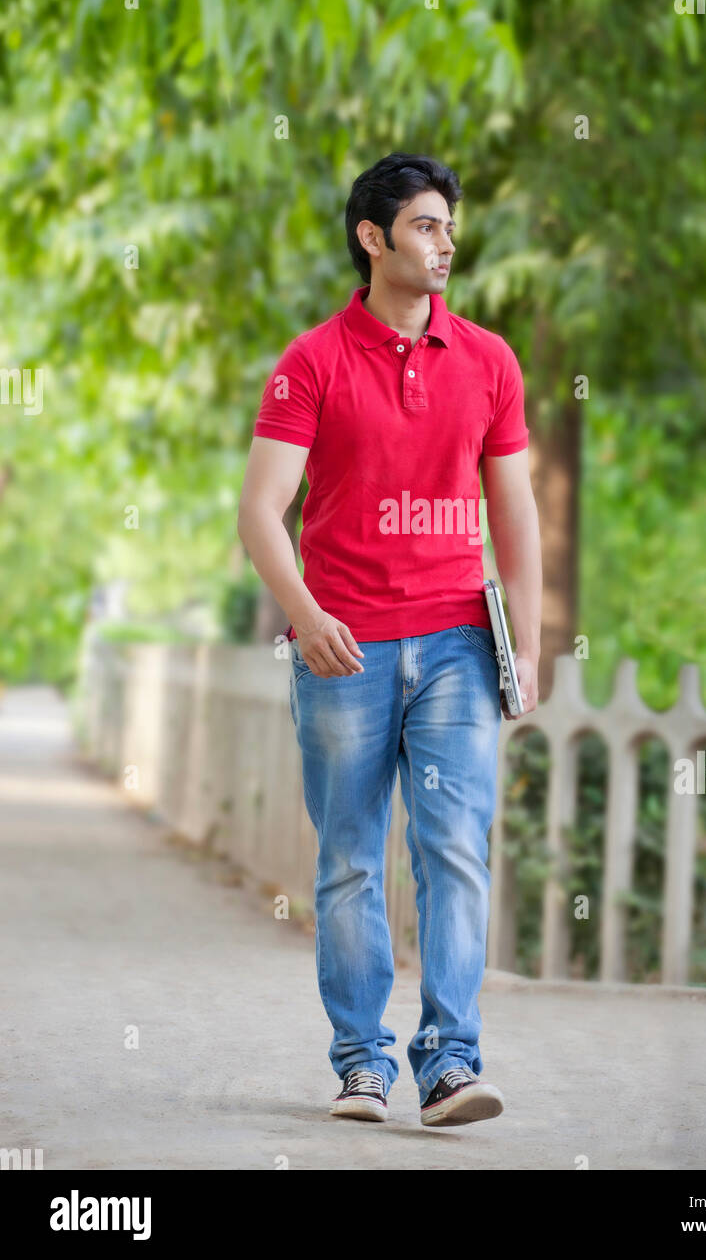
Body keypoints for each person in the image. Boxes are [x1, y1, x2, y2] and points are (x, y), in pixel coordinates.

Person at [238, 153, 542, 1127]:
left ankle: (450, 1063)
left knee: (454, 848)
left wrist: (523, 649)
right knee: (349, 859)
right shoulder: (310, 362)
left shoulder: (490, 361)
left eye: (449, 225)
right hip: (344, 651)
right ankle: (360, 1062)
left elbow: (518, 515)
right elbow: (260, 511)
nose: (444, 241)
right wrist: (307, 613)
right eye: (422, 225)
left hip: (456, 640)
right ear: (372, 238)